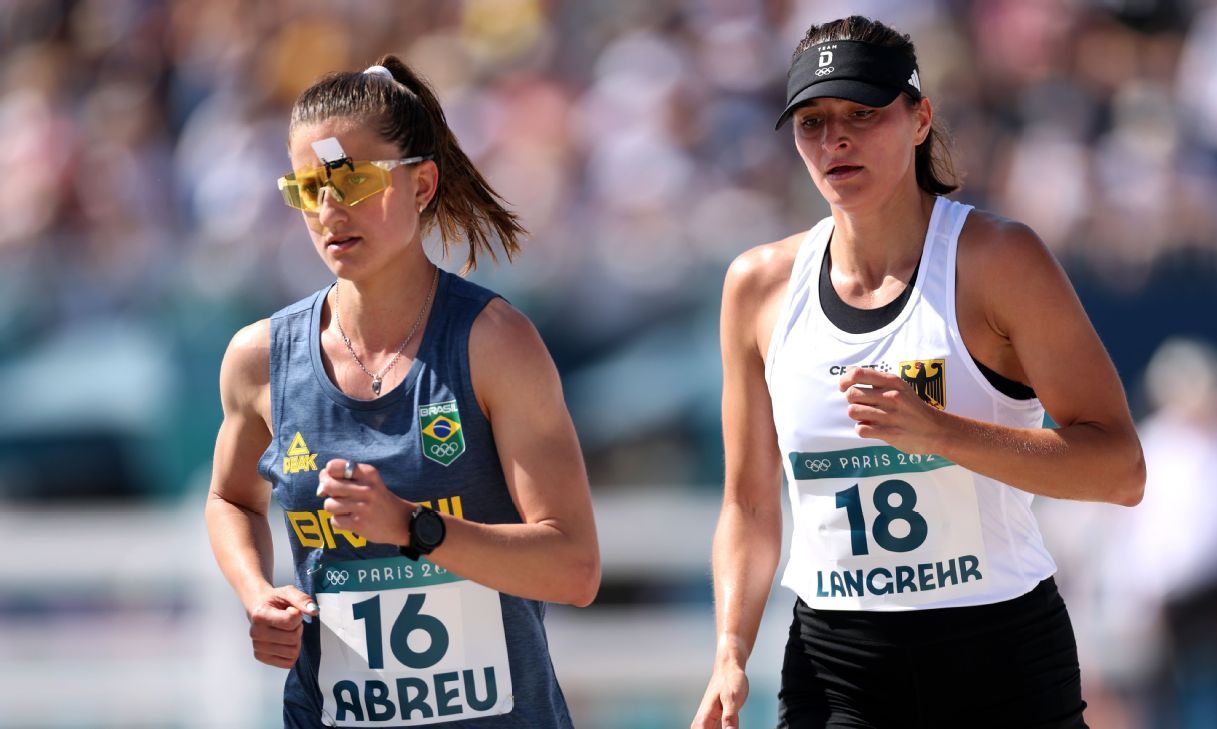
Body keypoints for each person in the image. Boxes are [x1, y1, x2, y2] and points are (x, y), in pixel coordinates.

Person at [692, 16, 1145, 729]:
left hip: (998, 655)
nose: (835, 138)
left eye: (862, 114)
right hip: (836, 662)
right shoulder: (757, 285)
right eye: (812, 121)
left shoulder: (998, 261)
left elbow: (1120, 470)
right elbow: (747, 504)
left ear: (919, 118)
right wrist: (729, 647)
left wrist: (942, 434)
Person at [206, 56, 599, 728]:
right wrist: (256, 590)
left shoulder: (494, 343)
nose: (330, 210)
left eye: (353, 182)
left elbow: (574, 567)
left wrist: (415, 528)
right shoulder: (259, 359)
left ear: (422, 185)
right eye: (308, 188)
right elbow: (231, 499)